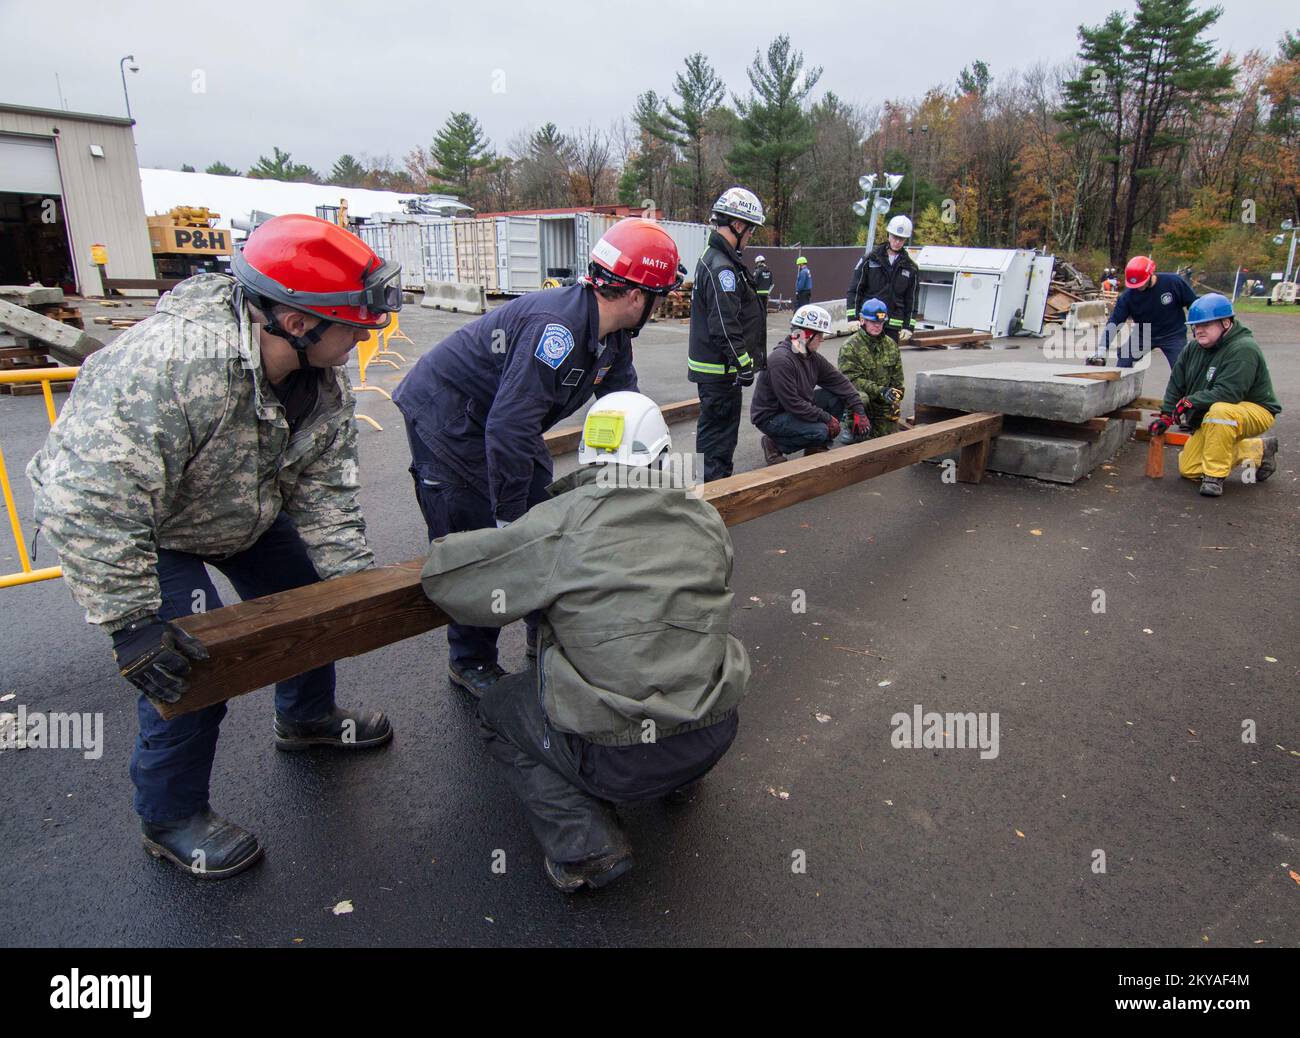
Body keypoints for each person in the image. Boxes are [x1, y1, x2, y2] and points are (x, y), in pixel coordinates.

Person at [27, 214, 401, 879]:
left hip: (237, 507)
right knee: (194, 660)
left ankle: (307, 718)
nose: (367, 336)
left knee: (311, 601)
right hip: (150, 528)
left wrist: (353, 592)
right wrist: (132, 623)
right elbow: (88, 496)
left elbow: (326, 491)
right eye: (355, 325)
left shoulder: (322, 380)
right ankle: (170, 817)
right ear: (295, 322)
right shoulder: (169, 363)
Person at [420, 392, 750, 892]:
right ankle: (681, 781)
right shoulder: (703, 516)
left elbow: (455, 579)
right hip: (714, 730)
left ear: (588, 456)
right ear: (661, 455)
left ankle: (586, 848)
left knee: (500, 708)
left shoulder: (563, 521)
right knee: (679, 652)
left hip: (618, 759)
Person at [394, 219, 683, 697]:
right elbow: (506, 429)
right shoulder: (559, 330)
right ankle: (471, 660)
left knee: (545, 516)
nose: (663, 304)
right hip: (449, 420)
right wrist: (507, 521)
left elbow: (623, 404)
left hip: (503, 421)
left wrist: (647, 479)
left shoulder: (613, 335)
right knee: (478, 537)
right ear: (637, 296)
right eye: (661, 295)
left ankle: (543, 627)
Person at [1147, 293, 1281, 497]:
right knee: (1189, 468)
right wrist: (1166, 415)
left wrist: (1191, 401)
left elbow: (1230, 393)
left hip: (1253, 409)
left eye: (1206, 325)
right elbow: (1177, 383)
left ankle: (1214, 477)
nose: (1199, 330)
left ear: (1226, 323)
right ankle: (1259, 450)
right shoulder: (1192, 349)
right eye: (1196, 325)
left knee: (1220, 411)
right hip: (1214, 416)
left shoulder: (1243, 348)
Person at [688, 187, 767, 483]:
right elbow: (724, 325)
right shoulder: (722, 268)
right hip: (721, 373)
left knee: (715, 439)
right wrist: (743, 364)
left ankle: (708, 495)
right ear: (737, 225)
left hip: (718, 372)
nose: (750, 238)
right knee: (717, 444)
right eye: (750, 231)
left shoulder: (717, 259)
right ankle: (711, 500)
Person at [751, 304, 870, 465]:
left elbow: (839, 381)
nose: (822, 339)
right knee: (821, 430)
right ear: (806, 334)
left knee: (836, 396)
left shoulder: (810, 356)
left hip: (793, 407)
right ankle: (774, 444)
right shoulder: (781, 360)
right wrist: (827, 418)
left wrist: (859, 410)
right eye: (819, 334)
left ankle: (816, 447)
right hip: (772, 416)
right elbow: (793, 404)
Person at [1086, 256, 1196, 369]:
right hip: (1144, 334)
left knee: (1181, 368)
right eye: (1135, 285)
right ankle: (1124, 386)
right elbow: (1115, 321)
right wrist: (1103, 348)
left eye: (1141, 284)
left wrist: (1196, 327)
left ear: (1150, 274)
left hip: (1173, 334)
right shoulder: (1128, 296)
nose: (1138, 288)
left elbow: (1193, 304)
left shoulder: (1173, 282)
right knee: (1124, 358)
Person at [837, 297, 906, 439]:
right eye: (873, 322)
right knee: (861, 400)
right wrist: (881, 390)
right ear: (862, 320)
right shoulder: (850, 346)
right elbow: (851, 380)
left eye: (881, 322)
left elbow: (897, 378)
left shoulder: (891, 345)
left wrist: (896, 398)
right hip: (862, 403)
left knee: (890, 441)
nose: (878, 326)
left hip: (882, 404)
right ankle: (850, 424)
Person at [845, 215, 918, 343]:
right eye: (895, 237)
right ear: (889, 235)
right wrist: (852, 317)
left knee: (889, 362)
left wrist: (908, 326)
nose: (897, 242)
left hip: (892, 327)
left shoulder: (911, 267)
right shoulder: (870, 260)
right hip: (869, 322)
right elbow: (855, 290)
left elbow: (911, 300)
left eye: (901, 239)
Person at [752, 254, 775, 318]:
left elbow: (754, 282)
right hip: (766, 294)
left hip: (758, 294)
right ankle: (764, 320)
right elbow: (771, 283)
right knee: (764, 309)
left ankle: (759, 322)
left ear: (758, 262)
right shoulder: (769, 271)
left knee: (759, 309)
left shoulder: (757, 271)